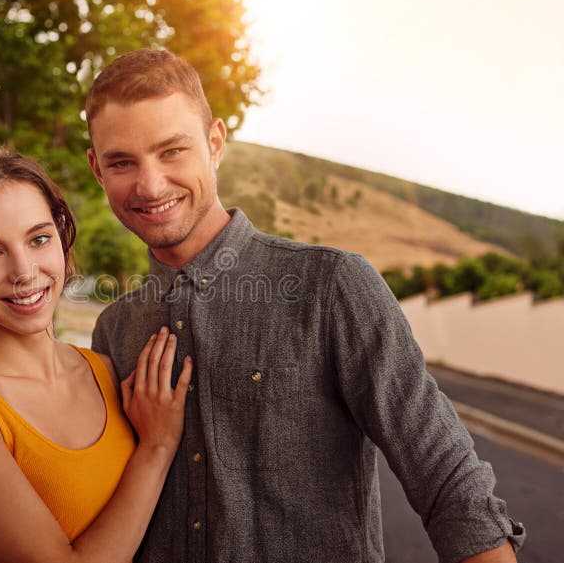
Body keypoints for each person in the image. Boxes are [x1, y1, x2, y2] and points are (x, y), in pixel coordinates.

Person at [85, 48, 526, 563]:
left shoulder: (332, 286)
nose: (150, 184)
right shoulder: (113, 330)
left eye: (172, 151)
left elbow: (444, 473)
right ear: (97, 169)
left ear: (215, 143)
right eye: (122, 162)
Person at [0, 149, 193, 563]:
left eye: (38, 239)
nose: (24, 272)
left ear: (60, 239)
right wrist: (157, 448)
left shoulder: (104, 369)